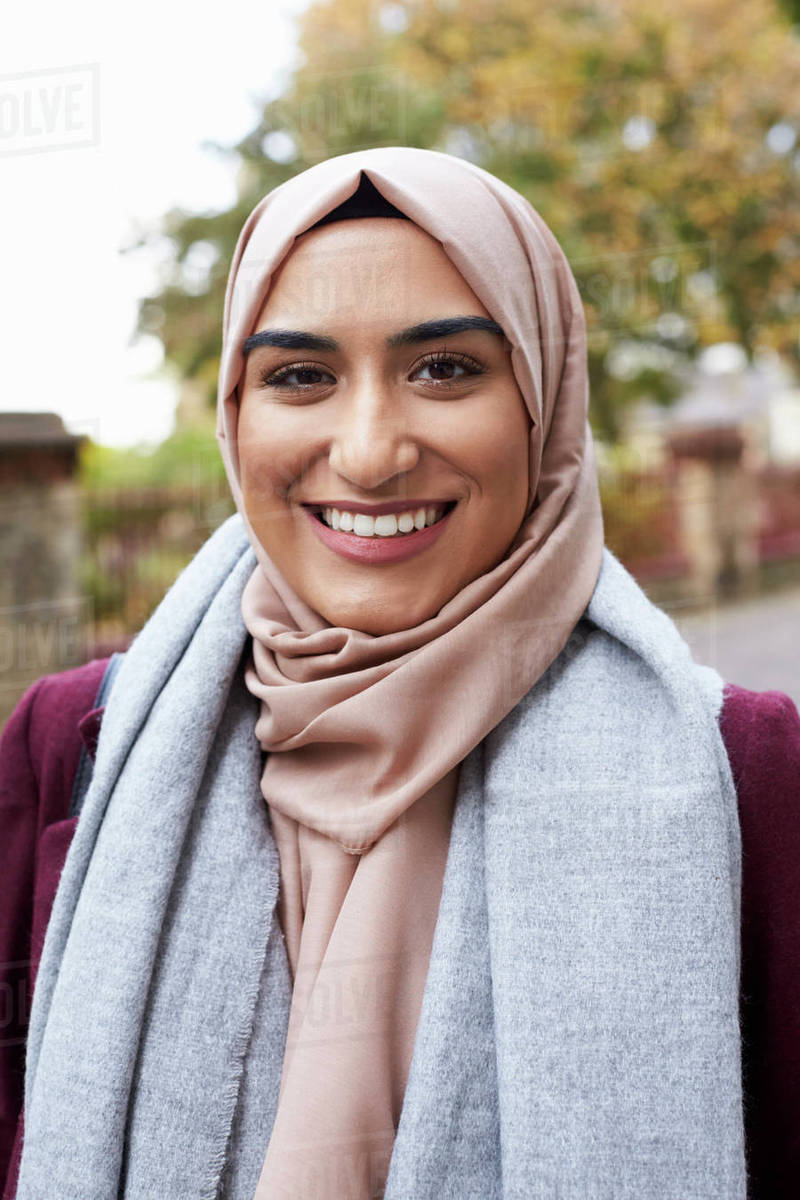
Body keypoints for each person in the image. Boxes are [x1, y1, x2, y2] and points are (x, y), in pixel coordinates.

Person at [1, 147, 798, 1200]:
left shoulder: (746, 774)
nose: (370, 453)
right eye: (300, 376)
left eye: (445, 369)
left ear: (543, 403)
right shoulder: (74, 748)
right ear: (235, 414)